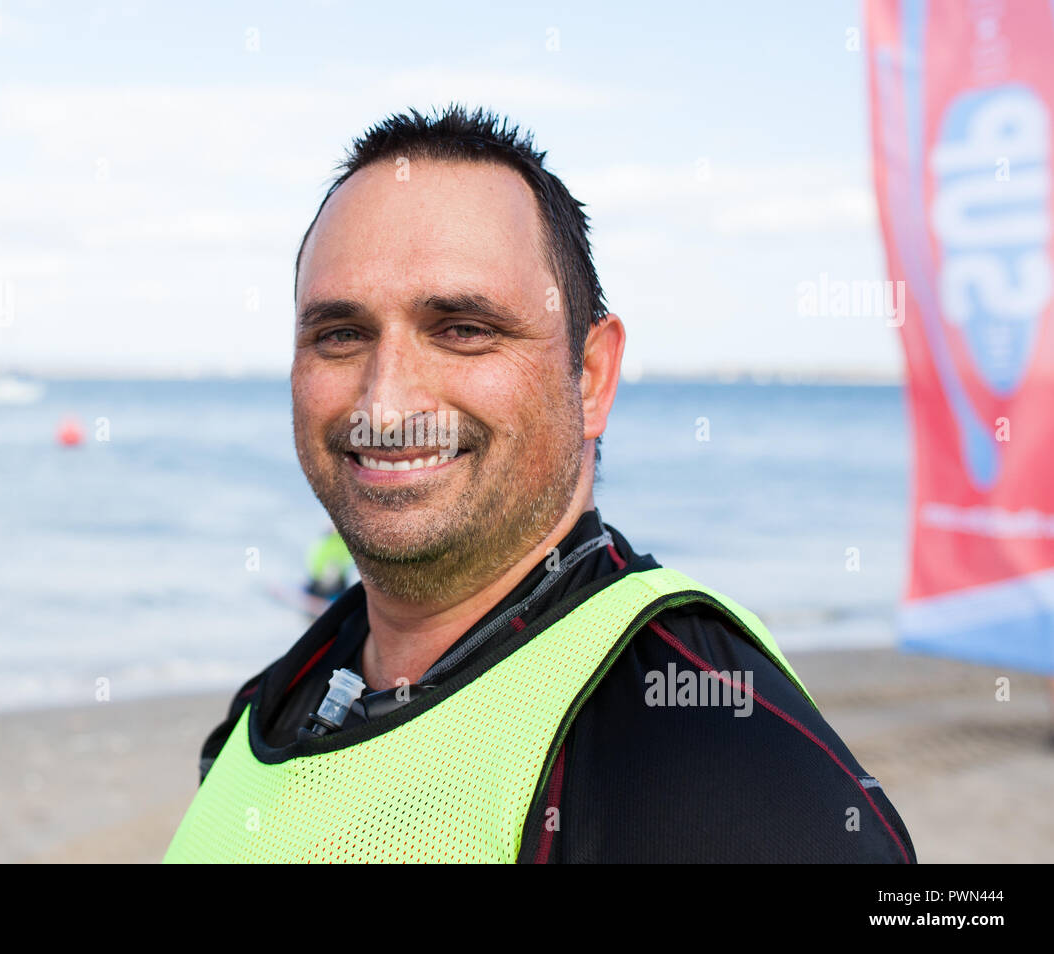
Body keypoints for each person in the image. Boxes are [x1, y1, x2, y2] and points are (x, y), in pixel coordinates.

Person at [165, 104, 916, 863]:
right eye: (340, 335)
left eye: (463, 329)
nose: (384, 405)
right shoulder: (268, 709)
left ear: (591, 377)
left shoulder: (703, 756)